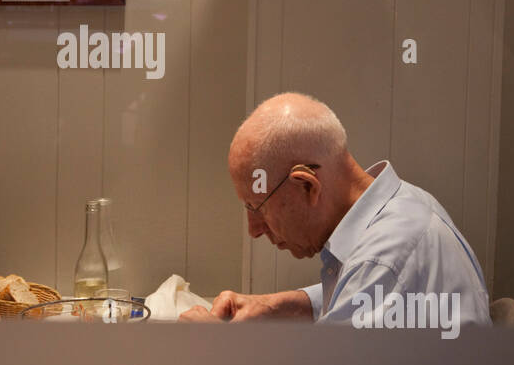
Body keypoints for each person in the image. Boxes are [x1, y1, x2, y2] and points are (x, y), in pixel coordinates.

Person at [181, 92, 491, 326]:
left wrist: (218, 347)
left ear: (307, 186)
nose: (254, 230)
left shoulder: (386, 260)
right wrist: (282, 305)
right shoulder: (402, 206)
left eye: (257, 208)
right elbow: (361, 290)